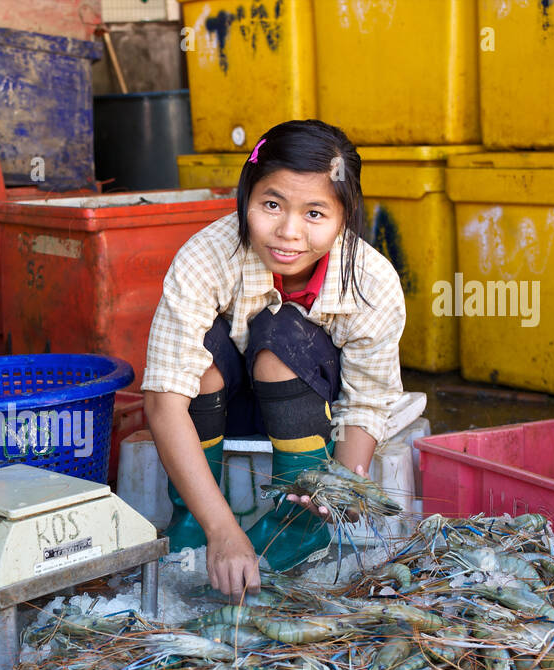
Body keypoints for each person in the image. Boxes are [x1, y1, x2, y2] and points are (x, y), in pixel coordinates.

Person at [143, 119, 406, 598]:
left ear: (345, 216)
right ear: (246, 196)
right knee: (195, 359)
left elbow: (367, 402)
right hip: (230, 409)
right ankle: (193, 520)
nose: (288, 232)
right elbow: (164, 400)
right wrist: (221, 531)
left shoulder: (372, 282)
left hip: (307, 418)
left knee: (282, 337)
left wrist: (339, 488)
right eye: (271, 205)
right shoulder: (206, 258)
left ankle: (297, 527)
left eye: (315, 213)